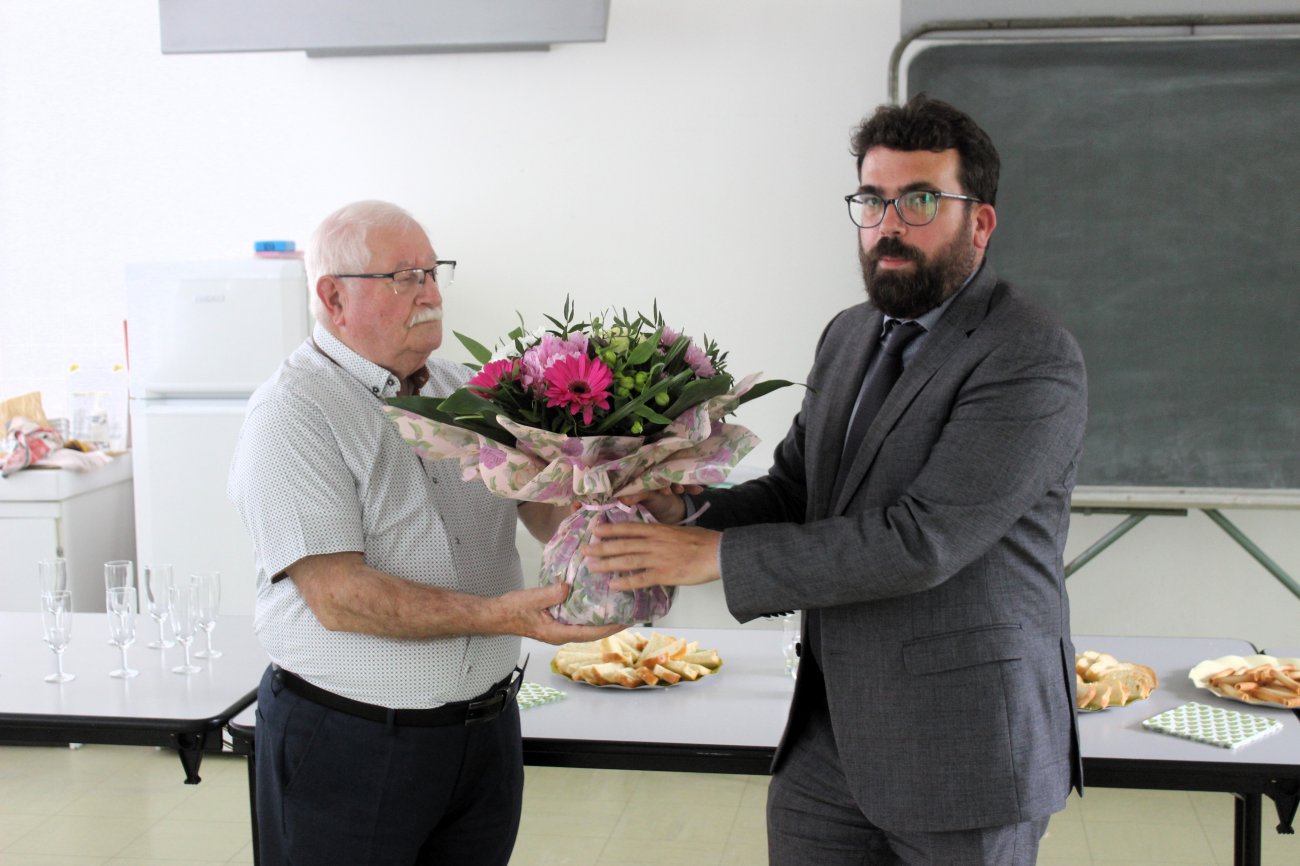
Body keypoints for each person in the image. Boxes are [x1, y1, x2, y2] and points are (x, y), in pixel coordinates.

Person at [585, 95, 1087, 866]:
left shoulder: (1029, 354)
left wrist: (709, 559)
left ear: (978, 223)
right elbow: (797, 489)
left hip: (966, 747)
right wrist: (683, 510)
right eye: (872, 199)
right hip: (829, 733)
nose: (890, 223)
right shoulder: (849, 334)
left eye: (921, 200)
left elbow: (924, 541)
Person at [228, 200, 619, 866]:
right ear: (333, 296)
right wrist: (502, 617)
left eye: (435, 273)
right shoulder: (293, 412)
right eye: (406, 277)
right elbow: (338, 595)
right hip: (350, 740)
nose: (432, 295)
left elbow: (540, 505)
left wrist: (612, 514)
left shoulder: (466, 391)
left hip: (484, 736)